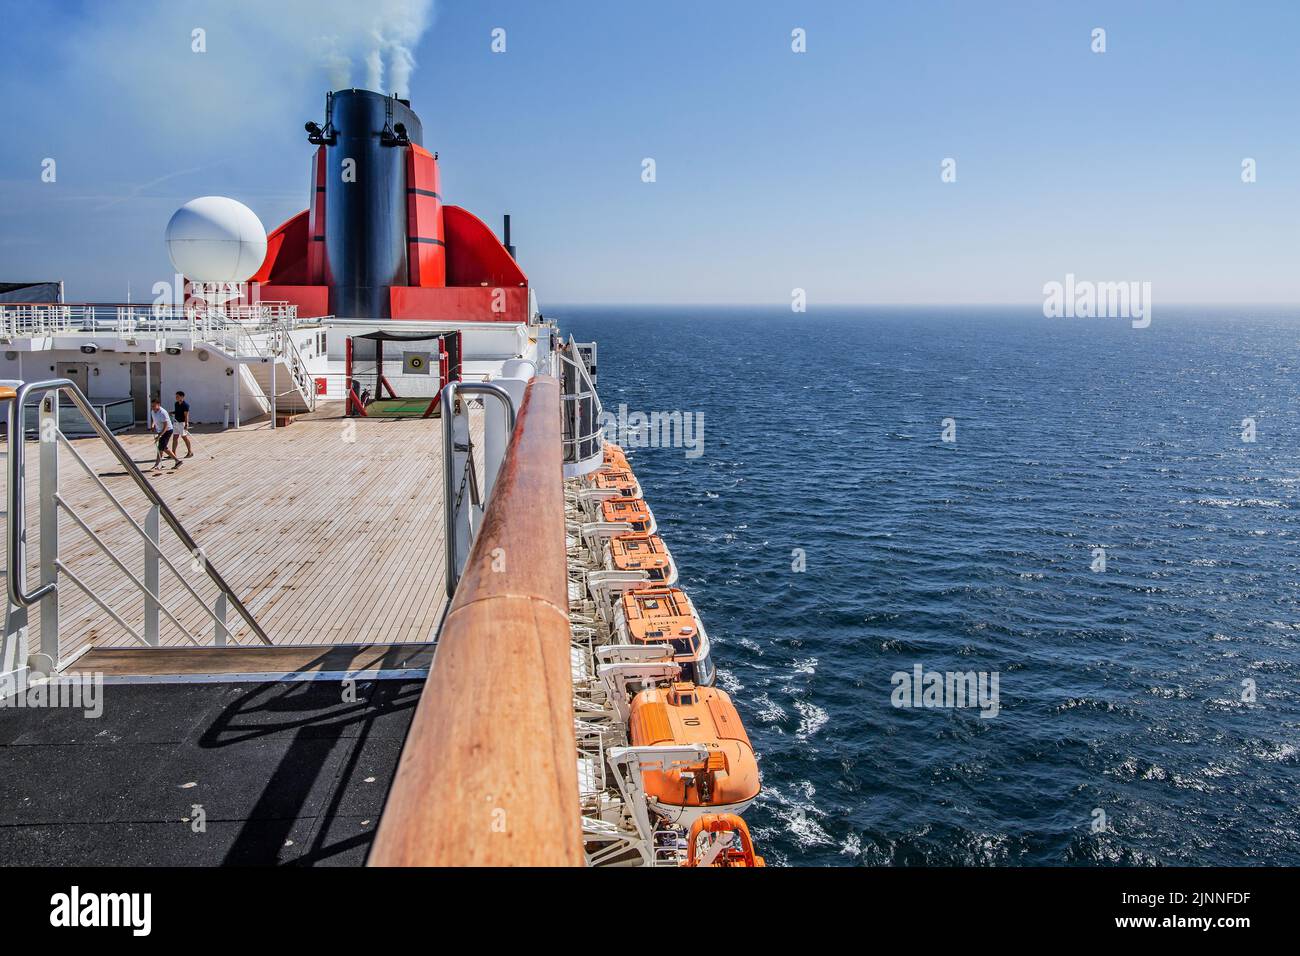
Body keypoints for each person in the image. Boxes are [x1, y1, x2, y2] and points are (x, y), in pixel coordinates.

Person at [149, 398, 181, 471]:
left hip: (167, 431)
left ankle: (157, 464)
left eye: (154, 406)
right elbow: (154, 420)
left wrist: (159, 436)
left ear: (159, 405)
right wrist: (153, 425)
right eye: (152, 406)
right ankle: (177, 461)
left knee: (161, 447)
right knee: (163, 447)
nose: (153, 407)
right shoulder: (153, 411)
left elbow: (166, 426)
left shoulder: (163, 412)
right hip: (160, 430)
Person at [171, 390, 194, 459]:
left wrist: (186, 424)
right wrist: (172, 412)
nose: (176, 397)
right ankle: (173, 453)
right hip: (176, 422)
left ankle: (190, 452)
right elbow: (177, 412)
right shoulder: (176, 404)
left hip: (182, 423)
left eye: (177, 396)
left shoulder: (185, 405)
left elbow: (186, 415)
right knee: (175, 438)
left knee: (184, 437)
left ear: (182, 397)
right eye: (176, 396)